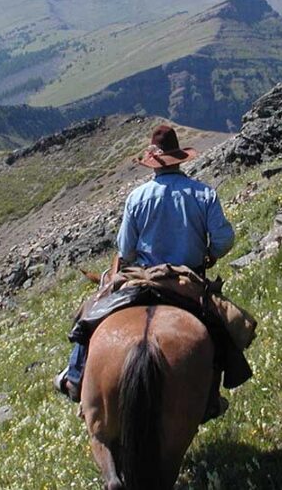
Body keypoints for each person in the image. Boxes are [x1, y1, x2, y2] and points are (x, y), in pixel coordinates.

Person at [55, 125, 236, 418]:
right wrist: (211, 255)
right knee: (220, 327)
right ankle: (212, 393)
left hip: (143, 276)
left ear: (153, 162)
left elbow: (125, 250)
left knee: (91, 312)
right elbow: (224, 239)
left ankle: (75, 376)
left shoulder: (137, 198)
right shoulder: (203, 194)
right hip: (186, 277)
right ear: (179, 159)